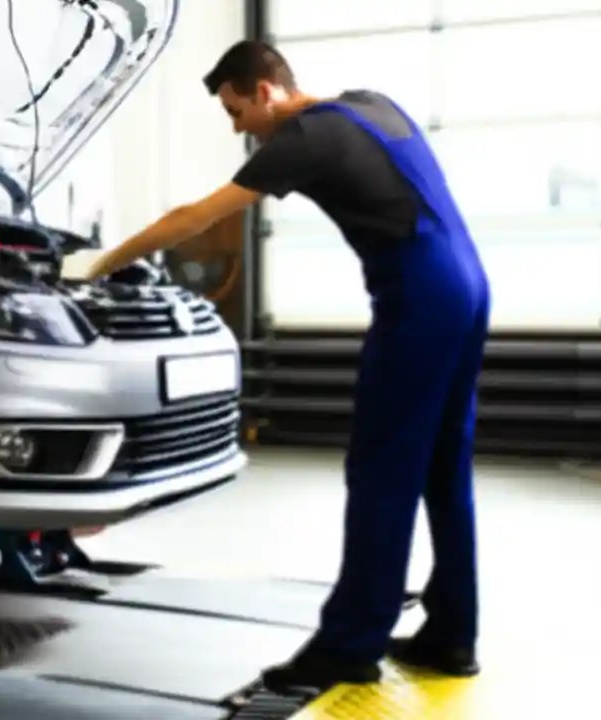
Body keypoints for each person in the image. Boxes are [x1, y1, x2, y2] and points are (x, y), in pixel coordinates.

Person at [83, 39, 491, 690]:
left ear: (263, 91)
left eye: (235, 110)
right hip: (468, 284)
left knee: (381, 469)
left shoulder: (303, 138)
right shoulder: (371, 104)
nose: (238, 128)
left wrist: (99, 266)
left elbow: (193, 217)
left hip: (419, 294)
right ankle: (452, 632)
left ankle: (351, 645)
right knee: (444, 468)